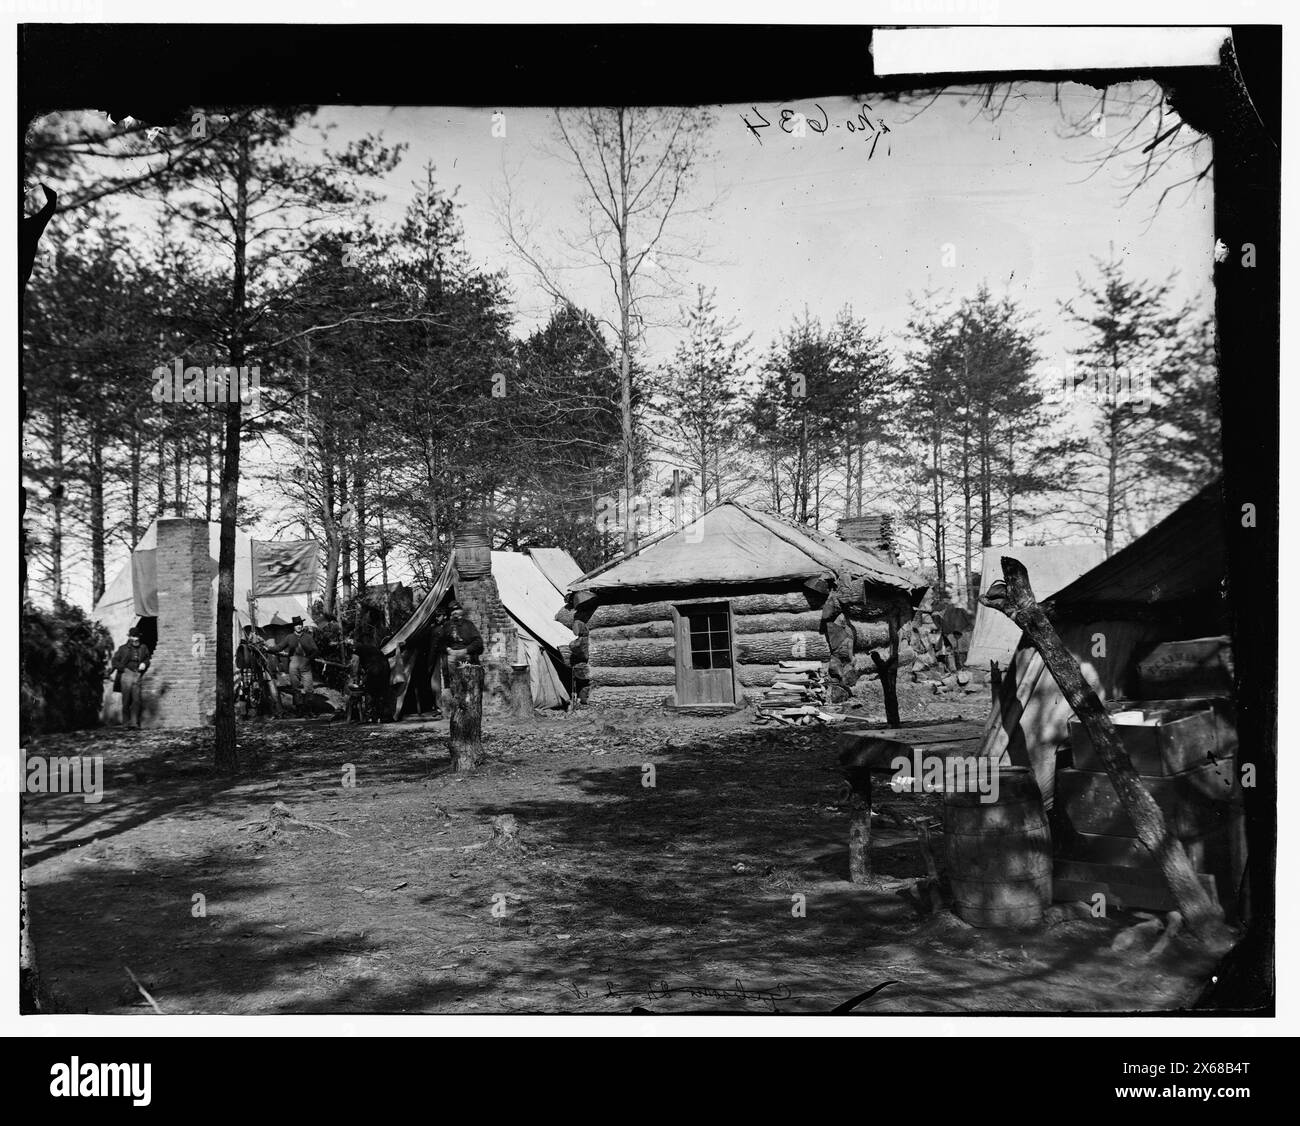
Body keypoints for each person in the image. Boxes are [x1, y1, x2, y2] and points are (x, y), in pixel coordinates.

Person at [272, 616, 318, 715]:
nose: (299, 627)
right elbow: (279, 647)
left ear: (302, 625)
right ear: (293, 627)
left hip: (305, 665)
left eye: (300, 625)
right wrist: (268, 649)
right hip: (293, 664)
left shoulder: (308, 637)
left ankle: (309, 710)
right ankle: (299, 710)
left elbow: (315, 650)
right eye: (296, 625)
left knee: (309, 688)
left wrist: (308, 659)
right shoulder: (289, 637)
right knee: (296, 688)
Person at [109, 627, 151, 729]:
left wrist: (144, 664)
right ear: (130, 637)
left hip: (137, 674)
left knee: (136, 700)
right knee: (126, 700)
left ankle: (134, 723)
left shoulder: (143, 647)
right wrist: (123, 668)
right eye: (133, 637)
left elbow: (147, 659)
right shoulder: (122, 648)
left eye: (137, 637)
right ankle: (126, 724)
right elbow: (114, 661)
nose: (135, 639)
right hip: (126, 674)